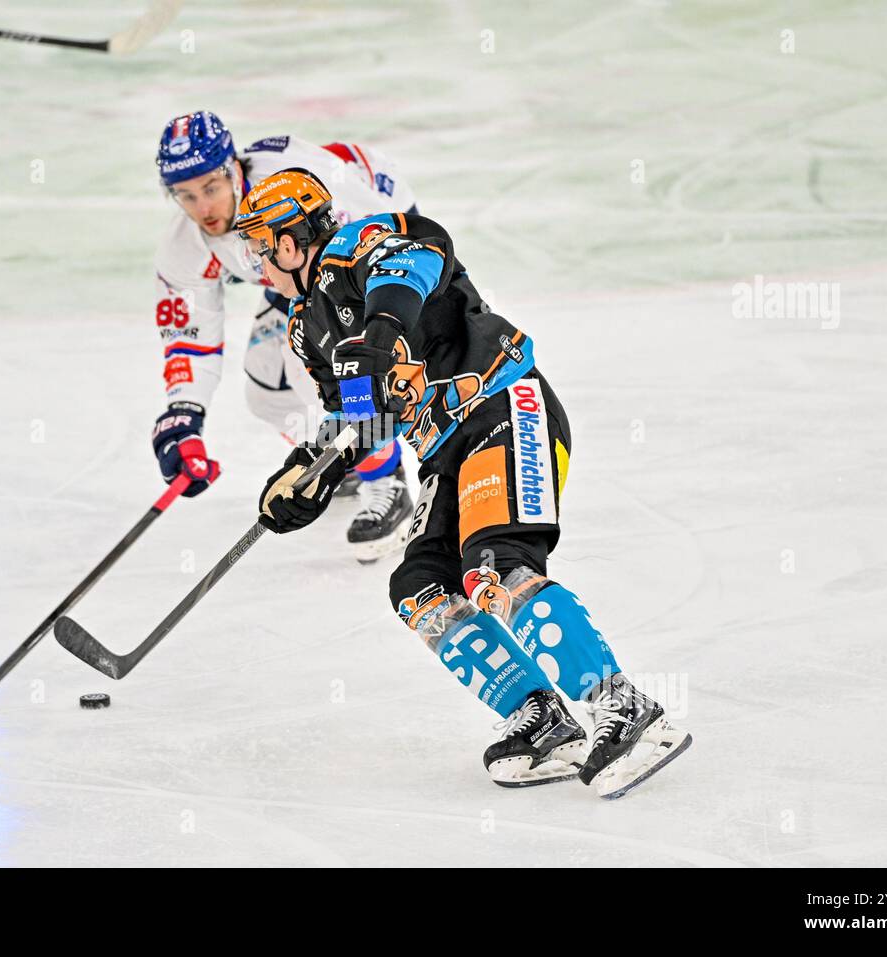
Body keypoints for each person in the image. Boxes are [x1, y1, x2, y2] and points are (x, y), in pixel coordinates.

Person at [236, 168, 692, 797]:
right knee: (418, 584)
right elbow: (362, 418)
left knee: (497, 566)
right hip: (445, 451)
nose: (257, 260)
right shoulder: (306, 328)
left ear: (292, 239)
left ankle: (624, 707)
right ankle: (543, 721)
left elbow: (424, 249)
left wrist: (384, 330)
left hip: (506, 406)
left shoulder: (356, 247)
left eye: (262, 243)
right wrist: (313, 473)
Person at [151, 111, 418, 562]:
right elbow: (190, 338)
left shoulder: (290, 180)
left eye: (212, 189)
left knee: (312, 367)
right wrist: (184, 417)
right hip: (293, 275)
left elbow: (379, 235)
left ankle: (386, 478)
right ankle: (349, 460)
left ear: (234, 169)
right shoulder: (184, 247)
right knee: (267, 393)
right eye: (187, 196)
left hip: (376, 241)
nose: (204, 209)